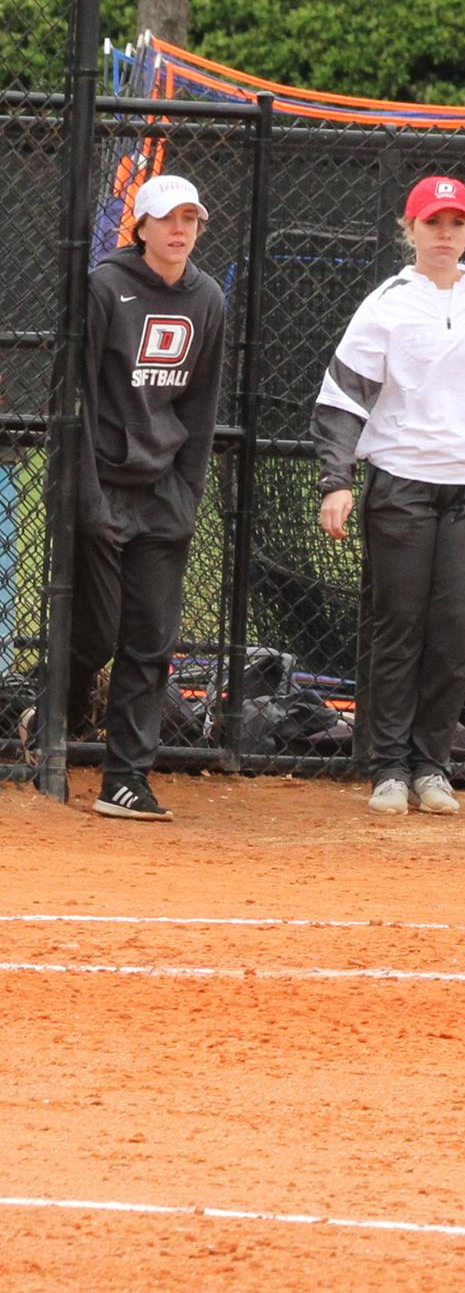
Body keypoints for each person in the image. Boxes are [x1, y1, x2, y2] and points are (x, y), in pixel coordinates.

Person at [312, 175, 465, 816]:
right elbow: (343, 399)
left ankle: (432, 764)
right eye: (432, 223)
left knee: (454, 628)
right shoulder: (386, 305)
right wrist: (337, 481)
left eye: (455, 223)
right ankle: (388, 766)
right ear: (412, 229)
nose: (444, 235)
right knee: (398, 624)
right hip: (400, 483)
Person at [70, 173, 228, 820]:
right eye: (167, 218)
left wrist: (186, 492)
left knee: (151, 639)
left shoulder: (208, 298)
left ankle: (125, 777)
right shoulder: (105, 286)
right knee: (96, 632)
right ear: (141, 227)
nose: (179, 229)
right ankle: (57, 707)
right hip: (103, 484)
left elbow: (201, 402)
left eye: (190, 218)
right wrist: (86, 495)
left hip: (164, 493)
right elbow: (76, 392)